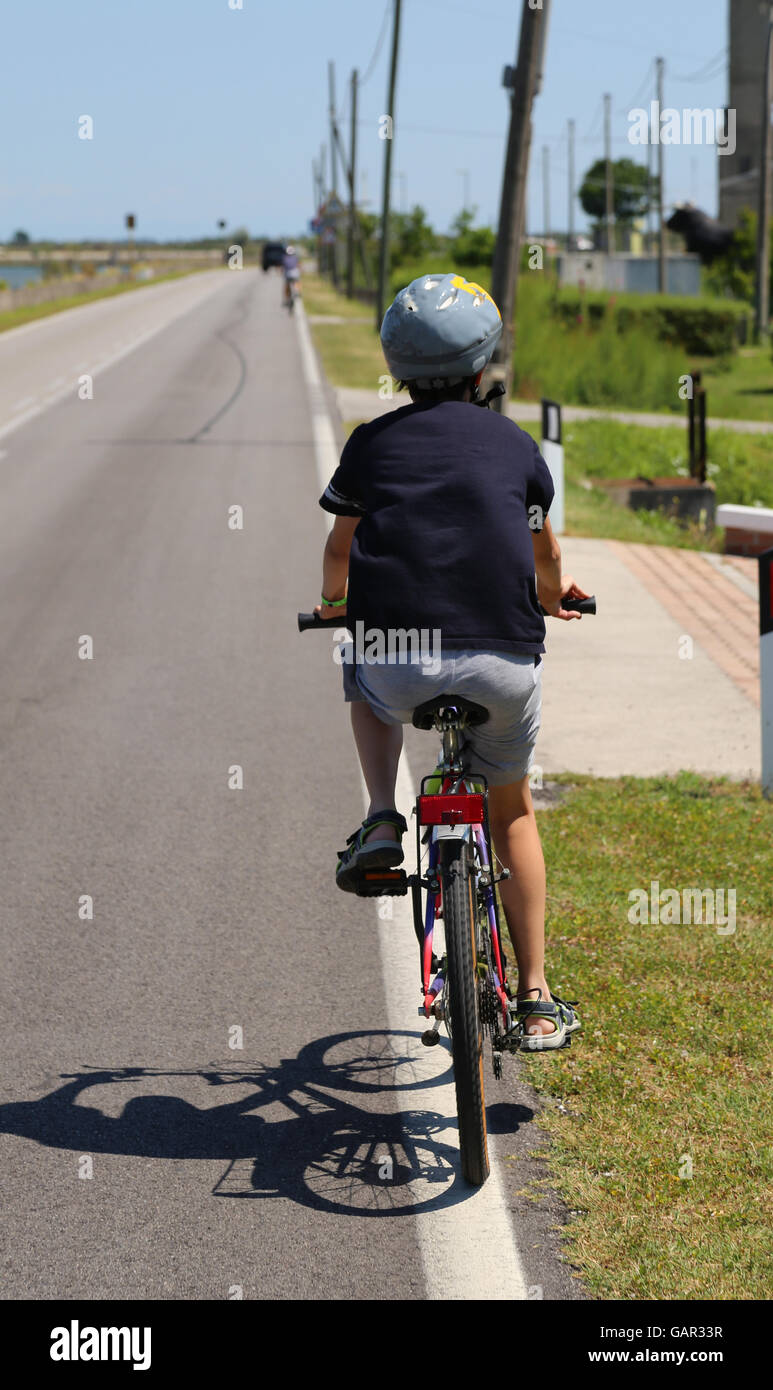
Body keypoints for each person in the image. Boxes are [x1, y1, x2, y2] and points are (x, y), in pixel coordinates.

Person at [314, 272, 589, 1049]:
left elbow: (342, 545)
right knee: (513, 814)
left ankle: (378, 818)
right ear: (483, 367)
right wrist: (553, 593)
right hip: (501, 664)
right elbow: (543, 546)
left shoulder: (370, 443)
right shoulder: (514, 444)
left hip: (400, 663)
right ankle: (534, 997)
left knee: (358, 670)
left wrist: (335, 600)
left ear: (397, 369)